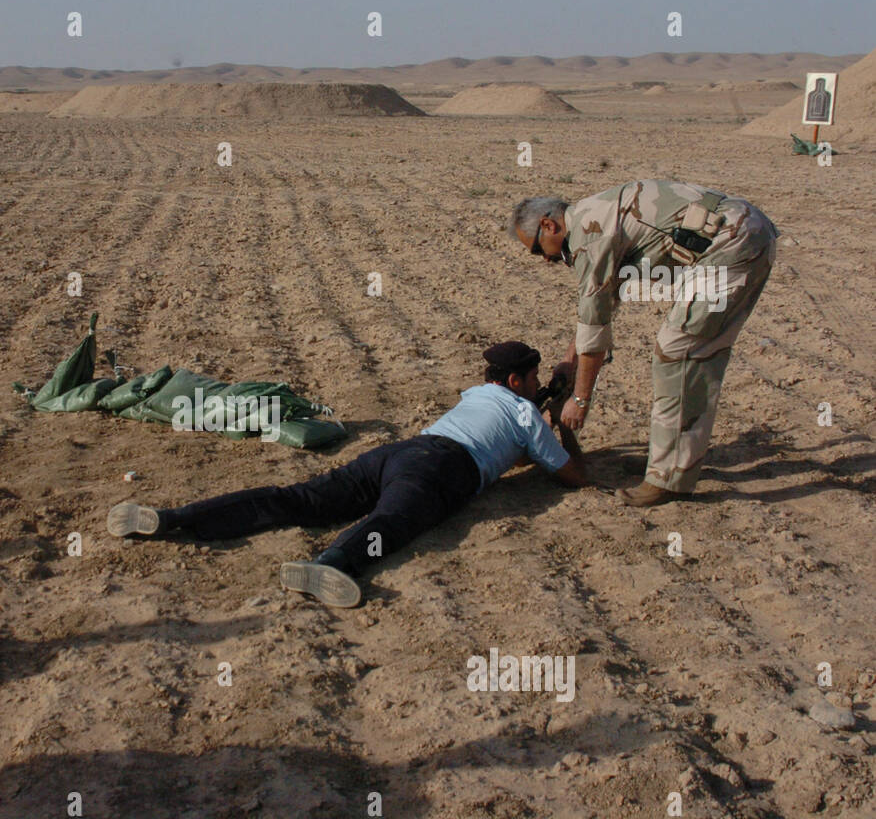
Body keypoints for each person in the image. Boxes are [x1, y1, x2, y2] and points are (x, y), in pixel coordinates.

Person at [107, 342, 587, 608]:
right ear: (515, 382)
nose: (536, 387)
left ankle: (175, 518)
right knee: (393, 521)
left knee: (298, 498)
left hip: (402, 451)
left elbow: (508, 451)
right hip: (446, 467)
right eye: (533, 379)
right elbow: (567, 475)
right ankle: (332, 564)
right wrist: (562, 427)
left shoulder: (475, 396)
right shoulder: (526, 416)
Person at [508, 180, 777, 506]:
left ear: (549, 225)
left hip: (733, 243)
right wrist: (569, 362)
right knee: (687, 353)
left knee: (680, 353)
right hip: (743, 232)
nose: (545, 260)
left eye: (538, 250)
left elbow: (594, 328)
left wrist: (579, 400)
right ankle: (669, 462)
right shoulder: (592, 215)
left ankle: (668, 480)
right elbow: (600, 309)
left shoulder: (589, 237)